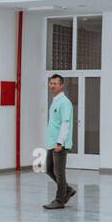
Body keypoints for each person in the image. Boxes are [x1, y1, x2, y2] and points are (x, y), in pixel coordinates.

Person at [43, 74, 76, 210]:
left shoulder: (64, 102)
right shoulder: (55, 101)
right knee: (49, 169)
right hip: (52, 143)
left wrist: (60, 142)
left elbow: (65, 123)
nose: (52, 86)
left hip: (59, 144)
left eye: (55, 83)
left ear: (62, 85)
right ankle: (67, 190)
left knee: (59, 171)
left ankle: (59, 200)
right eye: (51, 83)